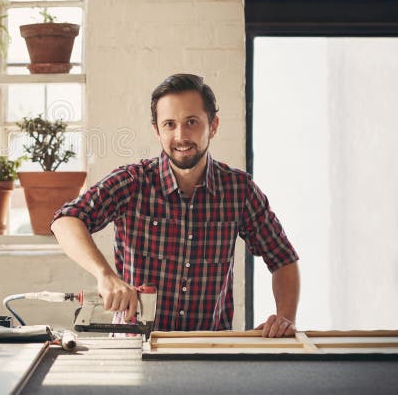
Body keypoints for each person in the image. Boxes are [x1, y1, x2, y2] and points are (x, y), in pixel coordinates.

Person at [51, 74, 299, 338]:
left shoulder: (239, 190)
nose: (181, 136)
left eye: (191, 122)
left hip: (208, 351)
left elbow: (283, 259)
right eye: (170, 124)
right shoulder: (132, 182)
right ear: (157, 130)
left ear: (212, 126)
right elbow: (65, 221)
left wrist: (285, 317)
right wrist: (105, 275)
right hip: (133, 350)